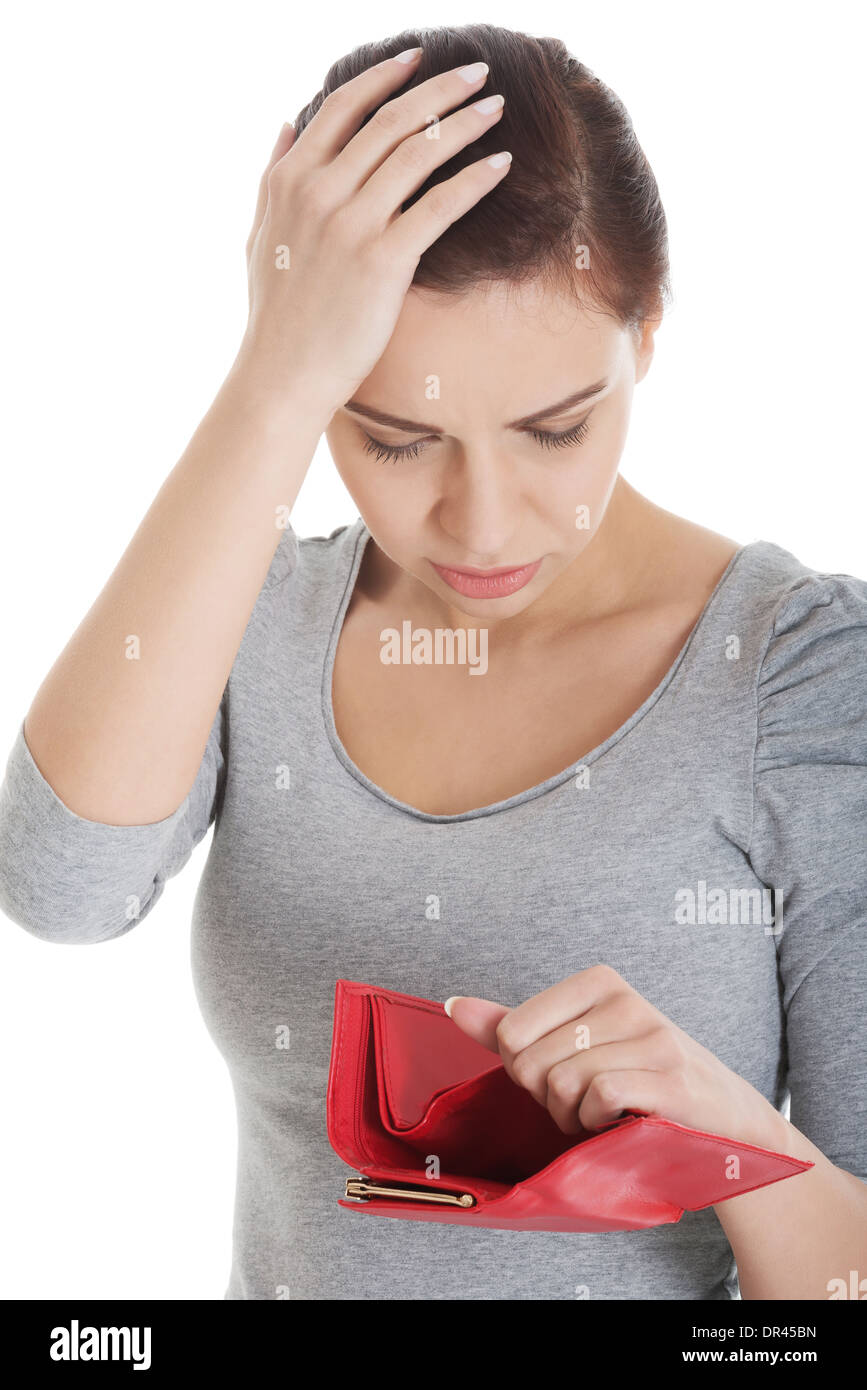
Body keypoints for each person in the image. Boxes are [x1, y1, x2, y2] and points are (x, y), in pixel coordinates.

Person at [0, 23, 865, 1301]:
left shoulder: (797, 681)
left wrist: (735, 1140)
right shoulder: (261, 613)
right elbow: (59, 883)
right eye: (396, 439)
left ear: (651, 329)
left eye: (556, 429)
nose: (487, 523)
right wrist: (272, 378)